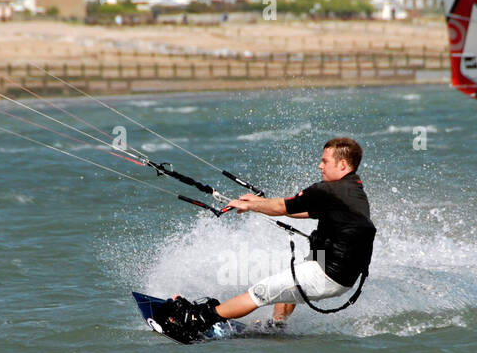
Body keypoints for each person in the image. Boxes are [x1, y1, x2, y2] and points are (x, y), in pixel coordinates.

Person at [156, 137, 375, 341]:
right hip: (339, 271)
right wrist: (258, 206)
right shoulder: (353, 189)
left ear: (343, 165)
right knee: (288, 282)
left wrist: (251, 204)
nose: (320, 166)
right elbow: (299, 211)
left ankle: (198, 320)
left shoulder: (327, 189)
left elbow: (281, 207)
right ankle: (277, 326)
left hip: (327, 273)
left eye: (324, 161)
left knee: (259, 292)